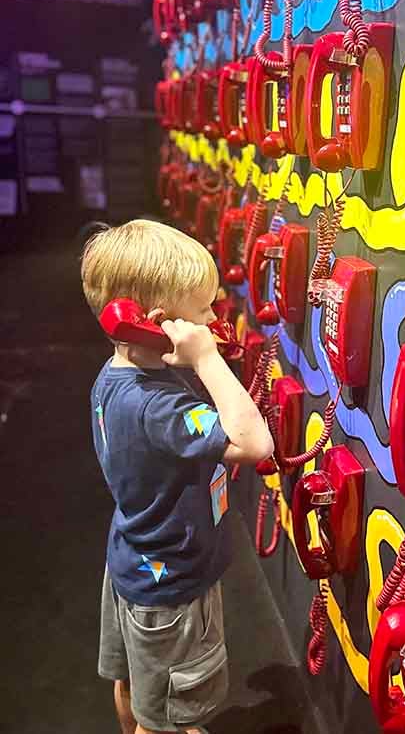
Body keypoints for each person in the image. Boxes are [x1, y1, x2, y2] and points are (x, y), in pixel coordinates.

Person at [81, 219, 273, 734]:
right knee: (166, 720)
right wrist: (208, 359)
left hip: (131, 563)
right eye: (206, 309)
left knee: (135, 687)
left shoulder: (114, 377)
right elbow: (256, 443)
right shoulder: (157, 407)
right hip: (173, 584)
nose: (216, 316)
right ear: (159, 323)